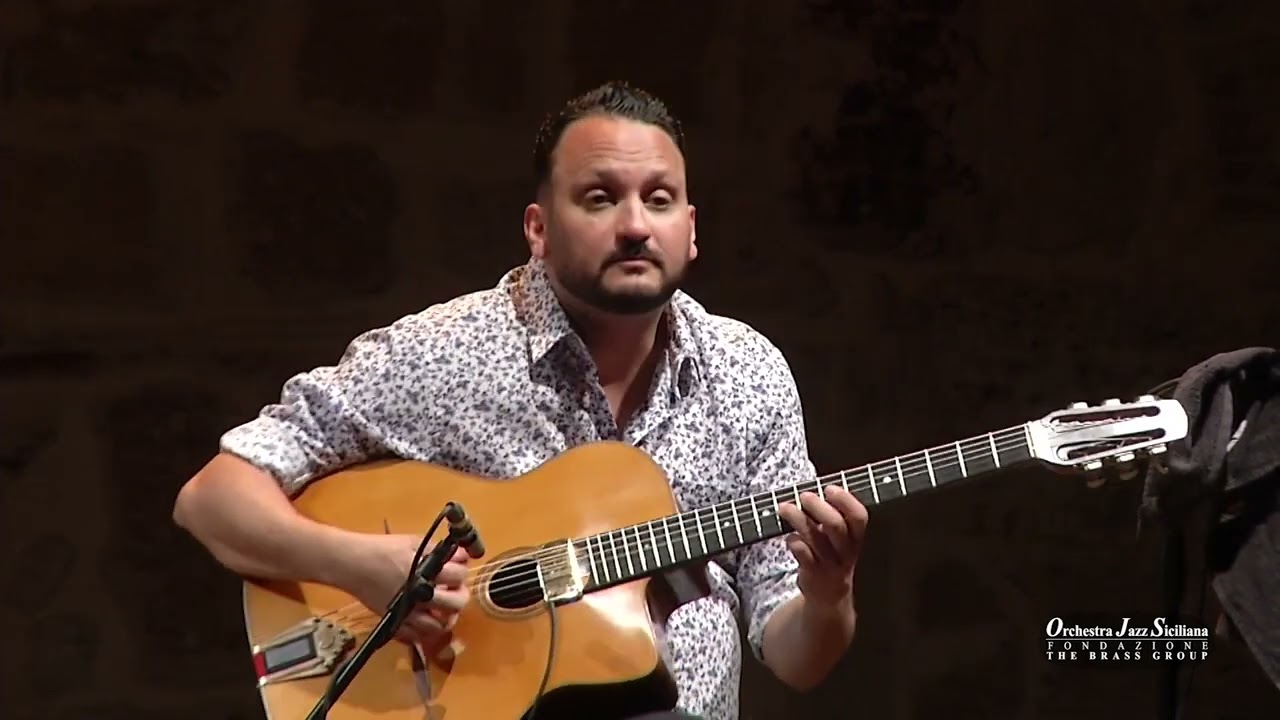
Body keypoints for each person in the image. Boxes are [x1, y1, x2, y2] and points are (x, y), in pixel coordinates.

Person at [173, 81, 868, 720]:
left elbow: (796, 656)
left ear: (691, 229)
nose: (634, 225)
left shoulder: (747, 373)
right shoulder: (445, 352)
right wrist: (360, 566)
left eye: (659, 200)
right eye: (600, 198)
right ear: (537, 229)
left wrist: (829, 594)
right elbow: (213, 499)